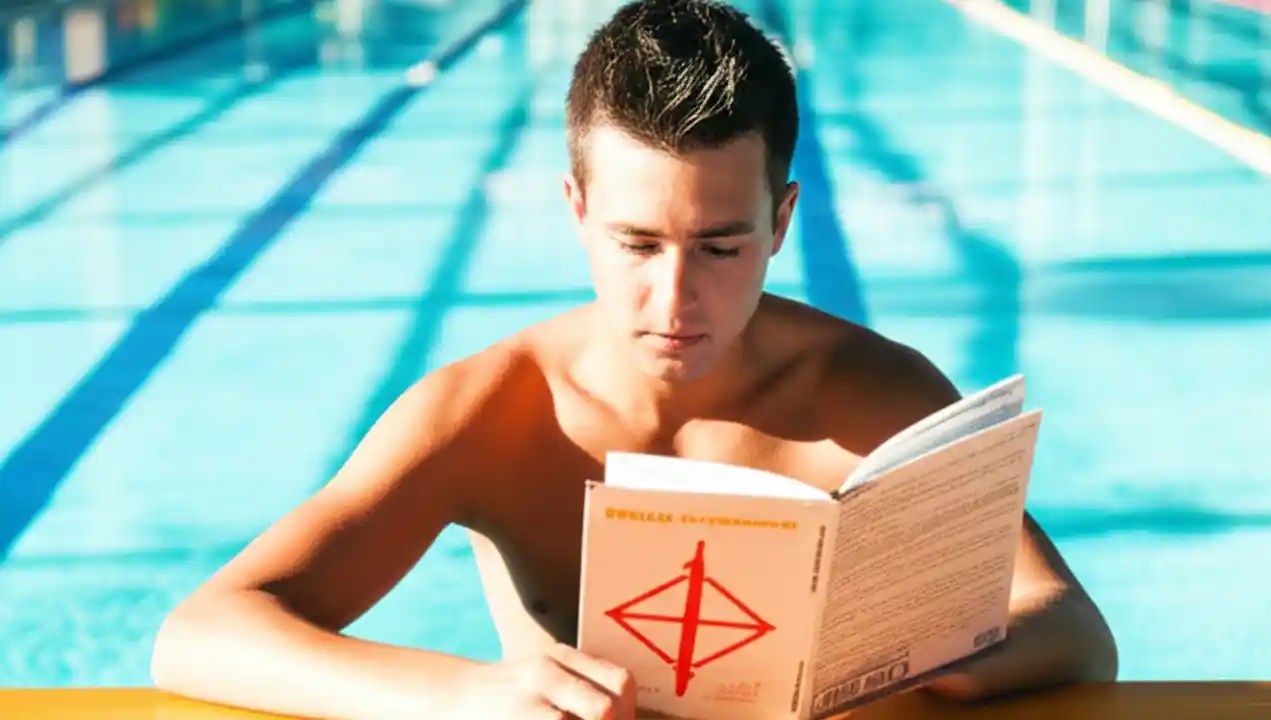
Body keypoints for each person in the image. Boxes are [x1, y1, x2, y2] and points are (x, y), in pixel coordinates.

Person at [150, 1, 1117, 718]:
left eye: (721, 247)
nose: (675, 301)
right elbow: (205, 631)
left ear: (783, 222)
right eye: (637, 244)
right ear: (577, 212)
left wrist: (916, 657)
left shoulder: (872, 400)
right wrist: (475, 696)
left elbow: (1073, 629)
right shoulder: (493, 411)